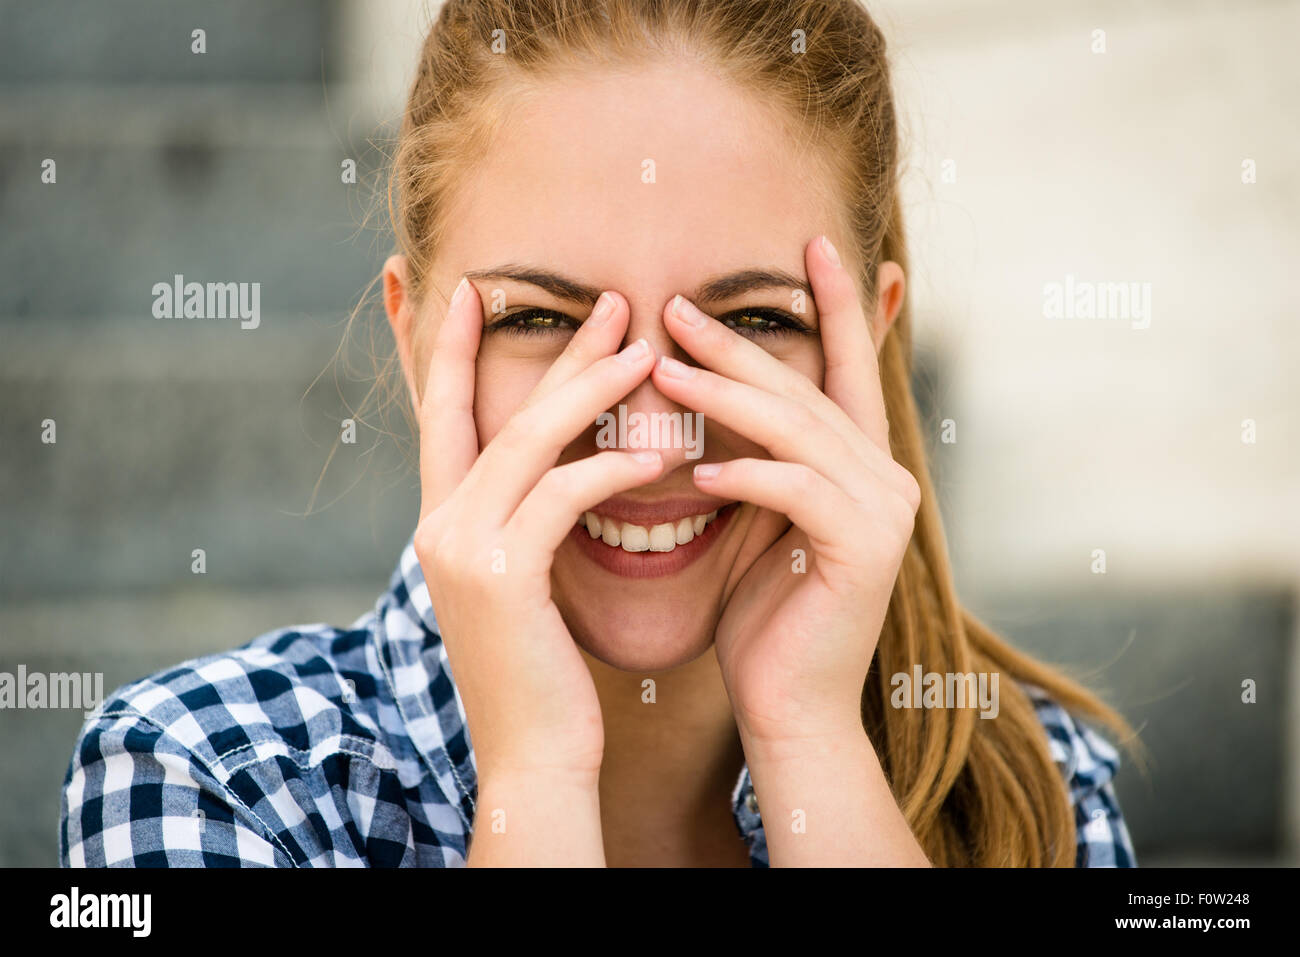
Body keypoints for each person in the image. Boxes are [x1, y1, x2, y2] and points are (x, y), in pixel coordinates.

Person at [60, 0, 1137, 867]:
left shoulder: (1032, 789)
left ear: (871, 340)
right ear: (417, 343)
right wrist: (534, 773)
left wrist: (810, 737)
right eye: (542, 321)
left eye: (752, 323)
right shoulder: (208, 776)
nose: (652, 436)